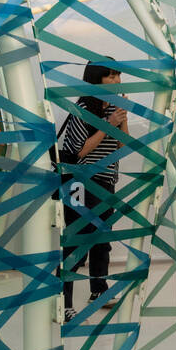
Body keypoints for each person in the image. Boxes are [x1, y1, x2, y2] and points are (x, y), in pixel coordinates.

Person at [59, 58, 129, 320]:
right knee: (77, 243)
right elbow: (79, 152)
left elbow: (123, 146)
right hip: (82, 184)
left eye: (117, 75)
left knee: (101, 242)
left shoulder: (111, 108)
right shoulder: (83, 109)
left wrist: (120, 119)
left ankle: (98, 290)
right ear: (95, 79)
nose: (116, 80)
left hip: (106, 182)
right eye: (109, 76)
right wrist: (109, 123)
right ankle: (63, 301)